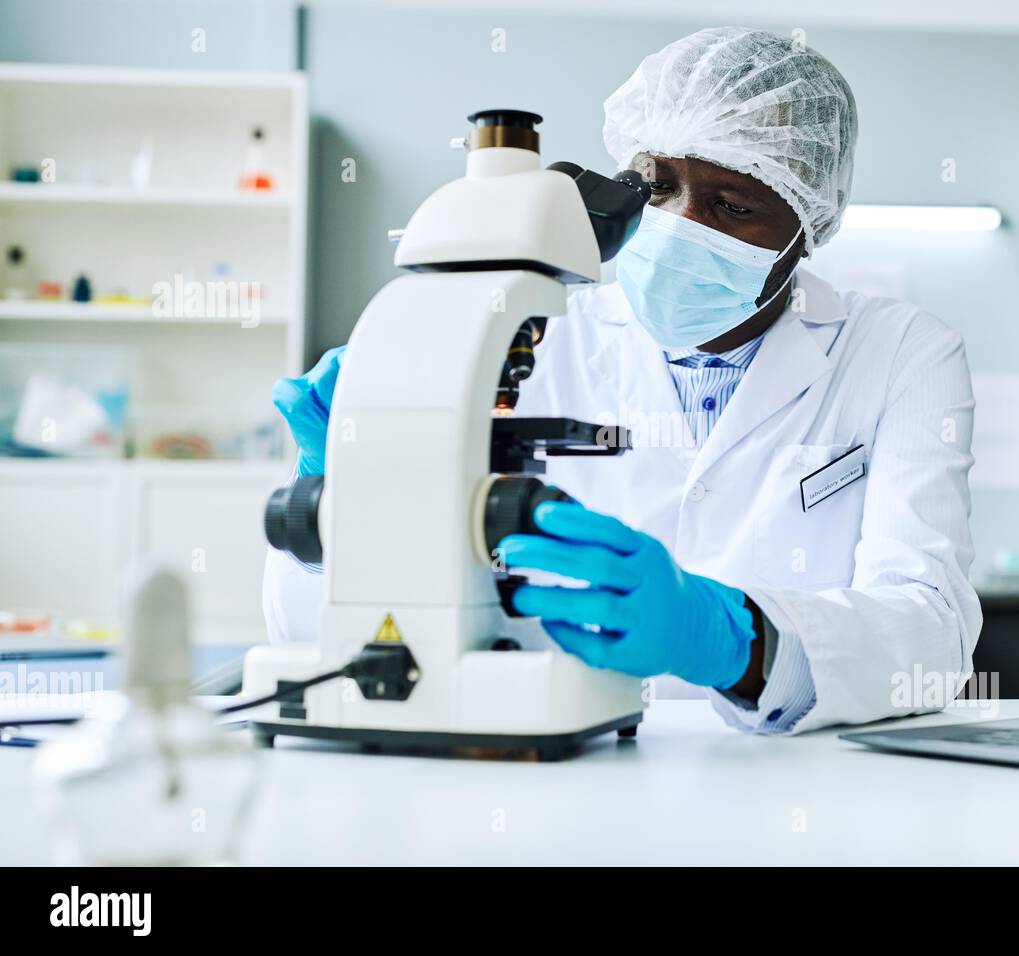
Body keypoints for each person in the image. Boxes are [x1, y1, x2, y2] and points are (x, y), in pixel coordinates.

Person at [265, 26, 981, 735]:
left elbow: (929, 632)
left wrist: (734, 639)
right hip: (545, 759)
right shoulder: (525, 334)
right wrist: (348, 500)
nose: (677, 225)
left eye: (732, 205)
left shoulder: (899, 352)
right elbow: (309, 636)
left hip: (790, 779)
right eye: (658, 186)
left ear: (808, 223)